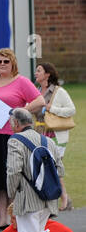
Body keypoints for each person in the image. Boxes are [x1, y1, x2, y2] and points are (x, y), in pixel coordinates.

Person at [0, 48, 45, 231]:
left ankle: (14, 220)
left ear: (13, 63)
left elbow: (40, 101)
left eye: (6, 61)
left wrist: (21, 112)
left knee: (12, 177)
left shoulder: (21, 81)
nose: (2, 65)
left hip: (12, 136)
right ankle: (2, 219)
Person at [5, 108, 65, 232]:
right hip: (48, 199)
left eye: (11, 123)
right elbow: (60, 170)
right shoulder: (47, 140)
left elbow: (13, 170)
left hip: (28, 199)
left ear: (16, 123)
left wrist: (11, 194)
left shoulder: (15, 140)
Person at [36, 61, 75, 212]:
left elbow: (71, 110)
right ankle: (59, 198)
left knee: (54, 165)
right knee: (46, 166)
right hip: (40, 132)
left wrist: (51, 108)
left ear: (47, 74)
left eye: (39, 70)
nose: (36, 73)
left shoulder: (59, 92)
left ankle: (64, 197)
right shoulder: (37, 90)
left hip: (56, 134)